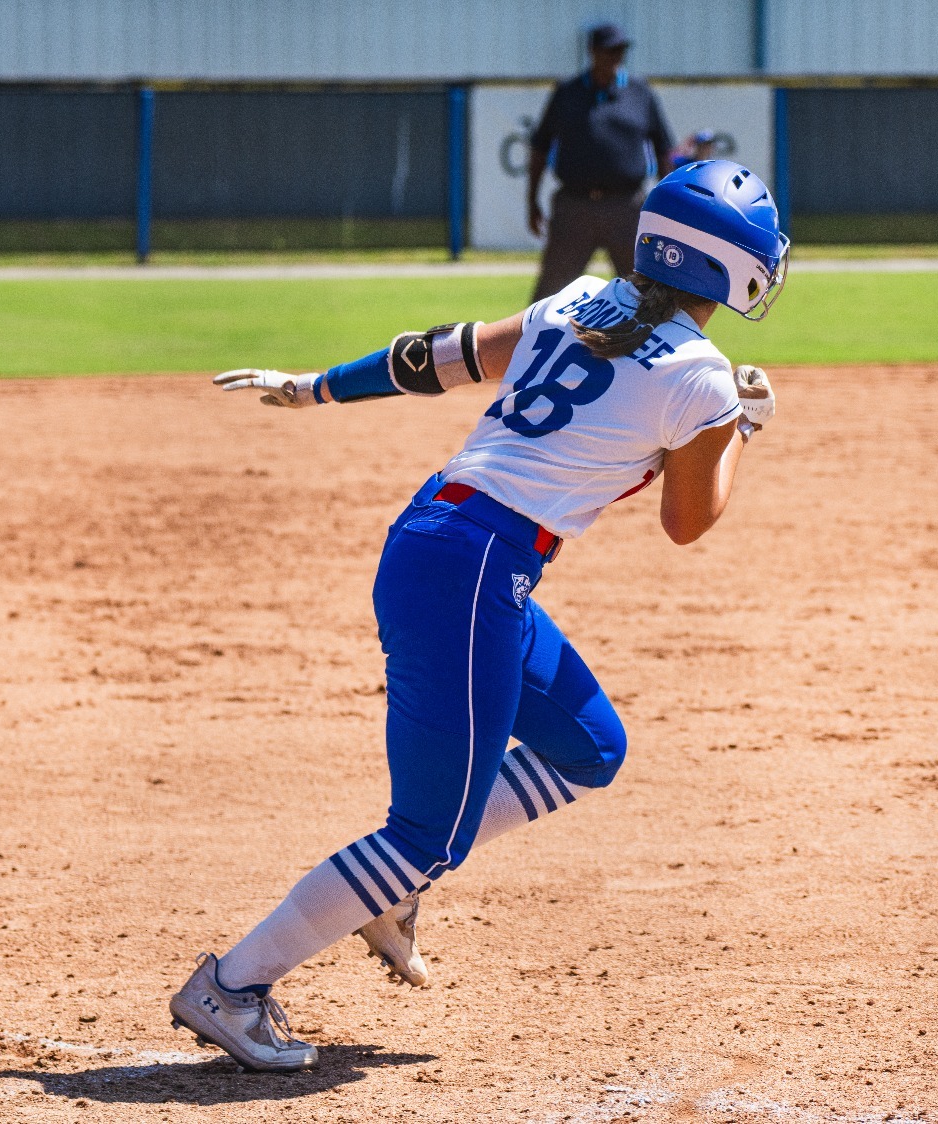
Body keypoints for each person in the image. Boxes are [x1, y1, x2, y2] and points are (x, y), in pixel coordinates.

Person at [171, 159, 789, 1072]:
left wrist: (318, 386)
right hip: (475, 571)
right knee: (425, 834)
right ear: (733, 269)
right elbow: (688, 522)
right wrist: (741, 428)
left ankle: (388, 894)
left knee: (590, 748)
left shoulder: (578, 301)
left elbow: (438, 357)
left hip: (448, 546)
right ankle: (233, 985)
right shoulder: (700, 377)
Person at [526, 22, 674, 301]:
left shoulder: (640, 93)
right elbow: (540, 148)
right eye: (609, 50)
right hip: (575, 207)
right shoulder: (567, 93)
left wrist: (666, 206)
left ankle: (650, 331)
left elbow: (663, 150)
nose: (616, 56)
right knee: (549, 294)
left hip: (627, 207)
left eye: (620, 50)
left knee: (646, 293)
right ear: (592, 51)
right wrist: (531, 200)